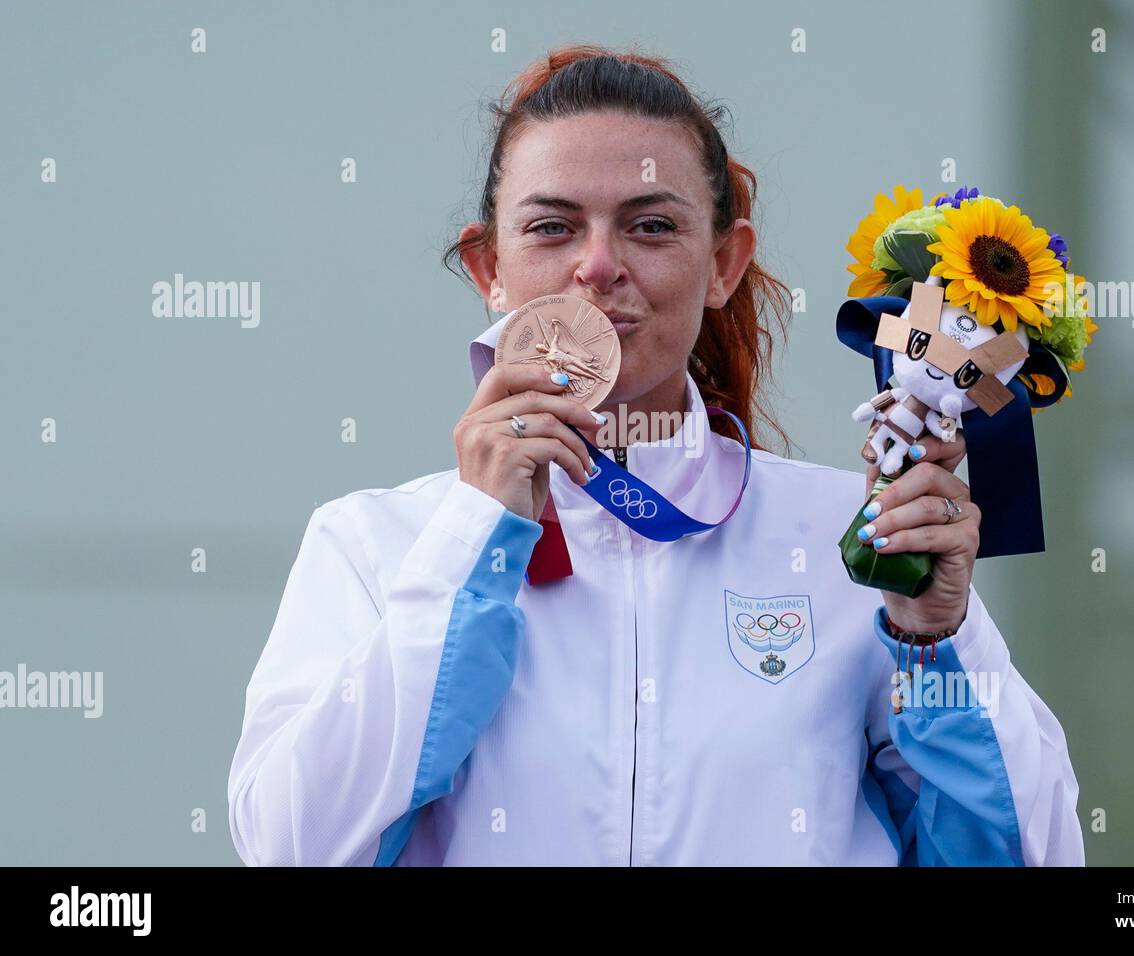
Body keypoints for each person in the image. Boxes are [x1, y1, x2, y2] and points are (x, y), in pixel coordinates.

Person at [226, 45, 1085, 866]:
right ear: (491, 268)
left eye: (649, 226)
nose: (598, 268)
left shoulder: (846, 541)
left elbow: (1030, 854)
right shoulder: (378, 546)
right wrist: (472, 539)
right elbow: (294, 847)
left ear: (723, 264)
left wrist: (938, 643)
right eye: (553, 227)